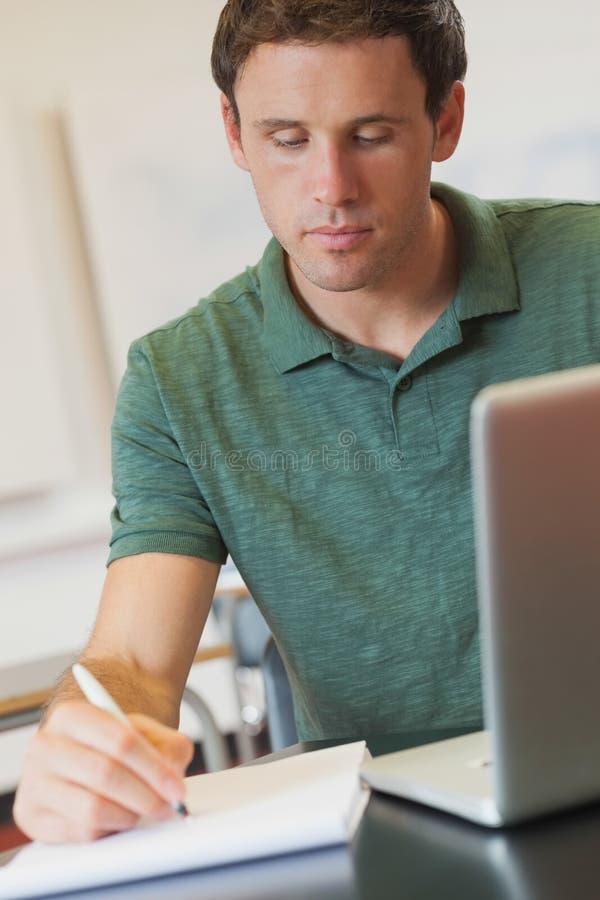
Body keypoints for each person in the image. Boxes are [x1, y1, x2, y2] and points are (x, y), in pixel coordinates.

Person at [14, 0, 599, 844]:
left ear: (447, 119)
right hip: (385, 834)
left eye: (370, 135)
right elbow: (132, 666)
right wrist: (83, 741)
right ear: (234, 132)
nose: (331, 189)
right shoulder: (180, 380)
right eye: (287, 139)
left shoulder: (587, 271)